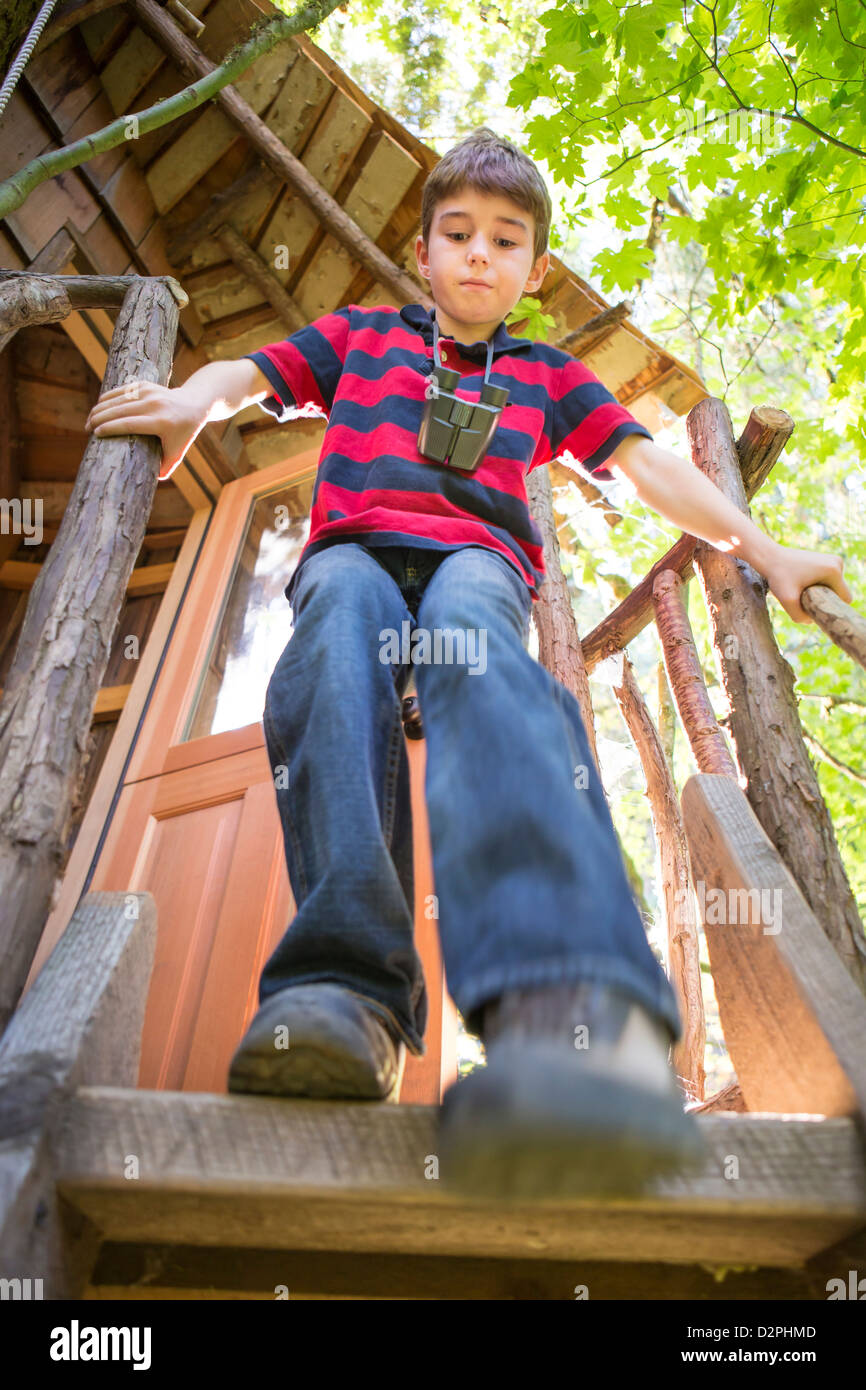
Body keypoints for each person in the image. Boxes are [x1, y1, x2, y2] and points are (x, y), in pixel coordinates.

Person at [86, 127, 852, 1200]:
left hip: (474, 563)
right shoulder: (360, 337)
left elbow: (646, 472)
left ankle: (574, 1018)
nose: (478, 256)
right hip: (353, 551)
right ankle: (343, 998)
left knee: (483, 652)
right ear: (423, 248)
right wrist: (184, 403)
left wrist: (761, 550)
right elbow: (250, 376)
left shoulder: (543, 373)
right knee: (329, 643)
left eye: (504, 240)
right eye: (457, 235)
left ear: (533, 269)